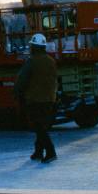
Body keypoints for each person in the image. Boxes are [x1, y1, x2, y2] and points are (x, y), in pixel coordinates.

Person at [14, 33, 58, 163]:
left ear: (34, 47)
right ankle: (38, 152)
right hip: (49, 98)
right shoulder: (51, 61)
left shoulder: (31, 61)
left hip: (35, 99)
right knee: (42, 125)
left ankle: (51, 152)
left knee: (38, 127)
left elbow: (22, 79)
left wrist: (17, 92)